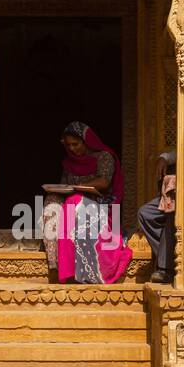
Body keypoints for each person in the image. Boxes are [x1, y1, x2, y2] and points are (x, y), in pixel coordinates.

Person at [43, 121, 133, 284]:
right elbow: (64, 184)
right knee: (52, 203)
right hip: (73, 199)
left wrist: (78, 187)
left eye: (76, 144)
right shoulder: (69, 163)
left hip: (100, 204)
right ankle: (55, 262)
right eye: (68, 145)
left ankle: (75, 269)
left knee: (74, 202)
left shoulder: (104, 157)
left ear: (87, 141)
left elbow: (104, 182)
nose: (72, 148)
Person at [138, 149, 176, 284]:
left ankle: (166, 268)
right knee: (145, 213)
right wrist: (163, 158)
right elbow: (174, 154)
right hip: (174, 194)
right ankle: (169, 256)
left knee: (171, 213)